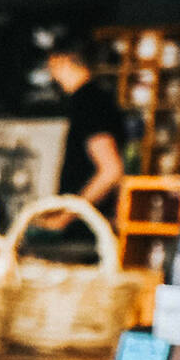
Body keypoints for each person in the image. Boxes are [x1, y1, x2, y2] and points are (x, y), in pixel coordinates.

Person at [40, 37, 127, 230]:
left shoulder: (89, 101)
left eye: (50, 66)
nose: (51, 74)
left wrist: (65, 217)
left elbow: (111, 171)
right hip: (91, 223)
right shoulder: (99, 98)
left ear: (61, 60)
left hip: (87, 229)